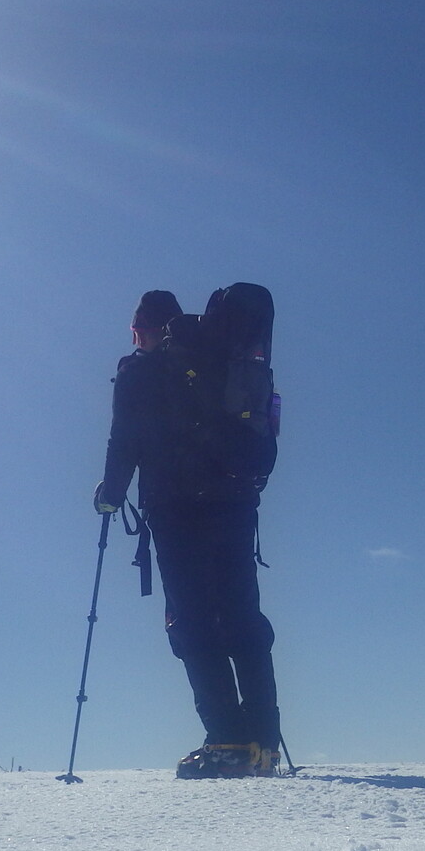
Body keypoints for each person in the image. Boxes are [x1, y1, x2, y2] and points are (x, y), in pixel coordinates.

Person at [96, 286, 283, 778]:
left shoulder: (138, 373)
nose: (136, 341)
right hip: (236, 504)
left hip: (177, 511)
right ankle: (262, 742)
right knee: (241, 614)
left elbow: (125, 440)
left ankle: (227, 740)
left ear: (149, 330)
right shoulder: (215, 362)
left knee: (193, 621)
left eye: (138, 332)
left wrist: (110, 494)